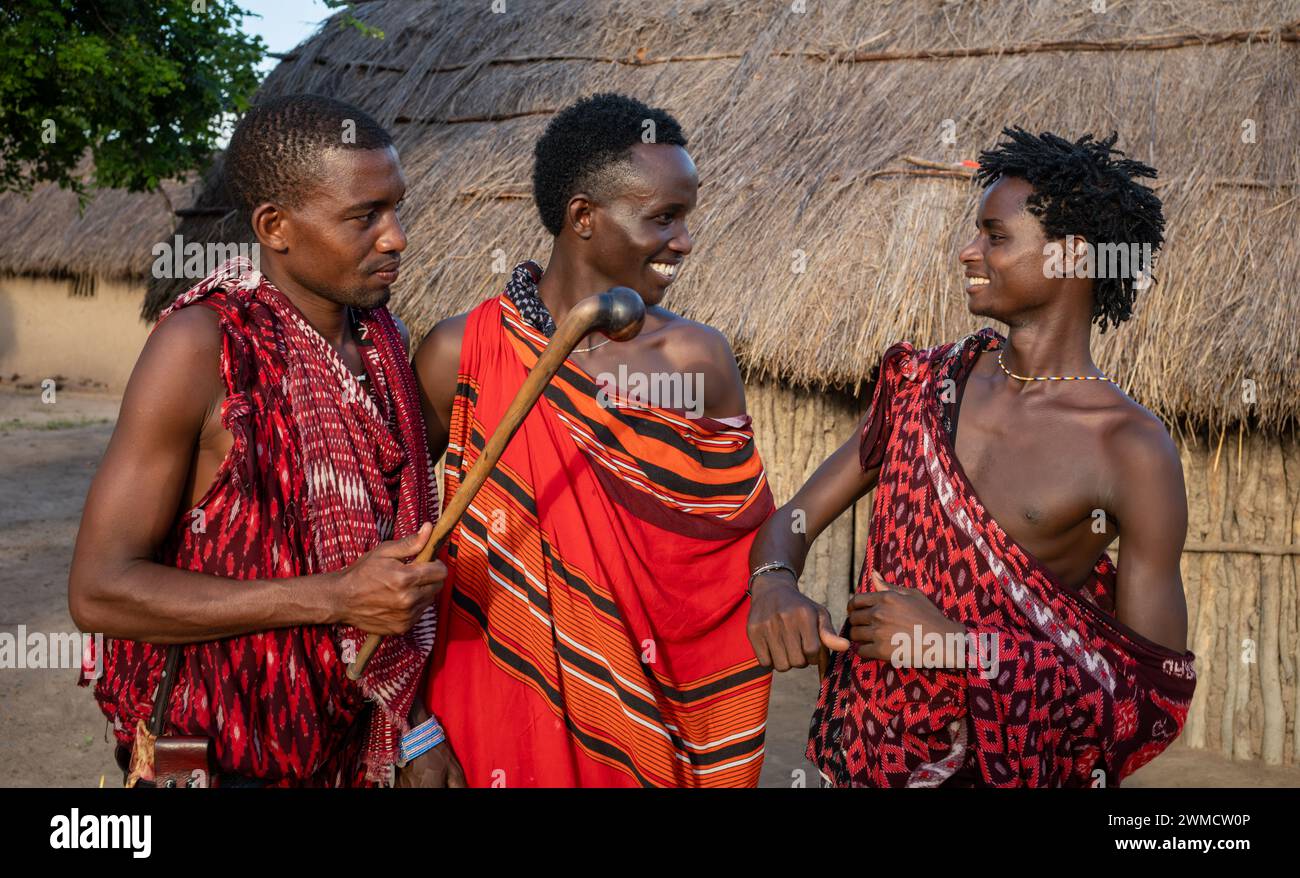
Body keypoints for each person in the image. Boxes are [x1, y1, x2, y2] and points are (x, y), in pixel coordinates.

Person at [745, 128, 1196, 787]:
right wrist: (776, 582)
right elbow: (795, 520)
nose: (969, 252)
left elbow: (1146, 698)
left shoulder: (1129, 448)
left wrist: (958, 647)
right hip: (865, 757)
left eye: (995, 236)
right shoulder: (926, 385)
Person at [68, 94, 450, 787]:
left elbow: (389, 572)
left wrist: (414, 726)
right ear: (275, 226)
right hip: (221, 756)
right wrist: (335, 597)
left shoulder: (382, 340)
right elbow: (100, 590)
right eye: (365, 216)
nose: (395, 237)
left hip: (346, 749)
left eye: (396, 208)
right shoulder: (203, 348)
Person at [413, 93, 773, 787]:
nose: (684, 241)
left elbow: (732, 537)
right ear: (583, 217)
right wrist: (410, 732)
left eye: (686, 217)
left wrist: (777, 582)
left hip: (649, 718)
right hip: (488, 694)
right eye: (662, 218)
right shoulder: (462, 351)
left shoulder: (696, 360)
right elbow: (387, 529)